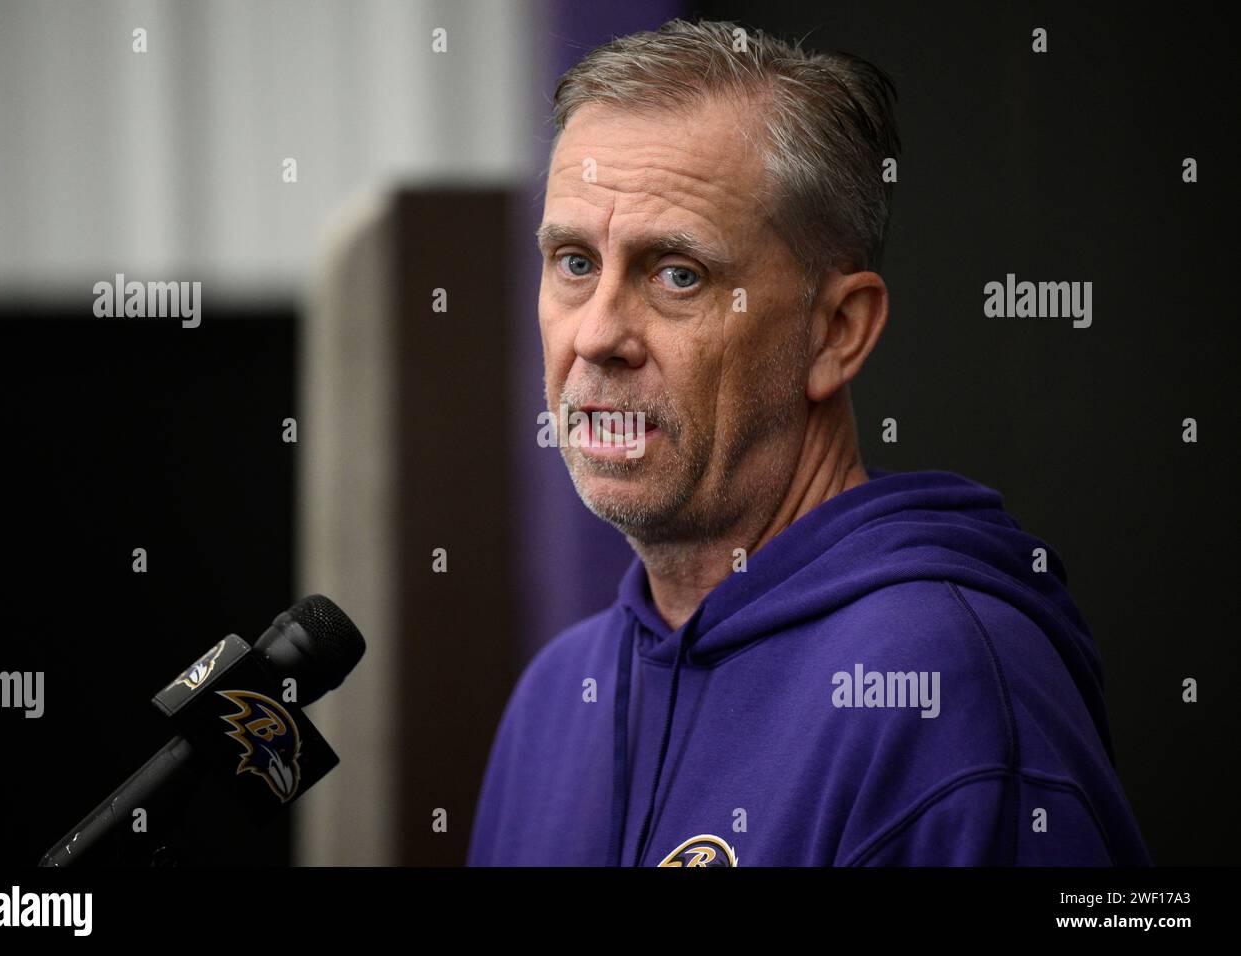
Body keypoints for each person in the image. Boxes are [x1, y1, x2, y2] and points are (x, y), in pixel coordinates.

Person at [468, 18, 1151, 866]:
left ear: (837, 331)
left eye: (678, 274)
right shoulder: (553, 701)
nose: (600, 332)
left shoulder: (947, 690)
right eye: (574, 262)